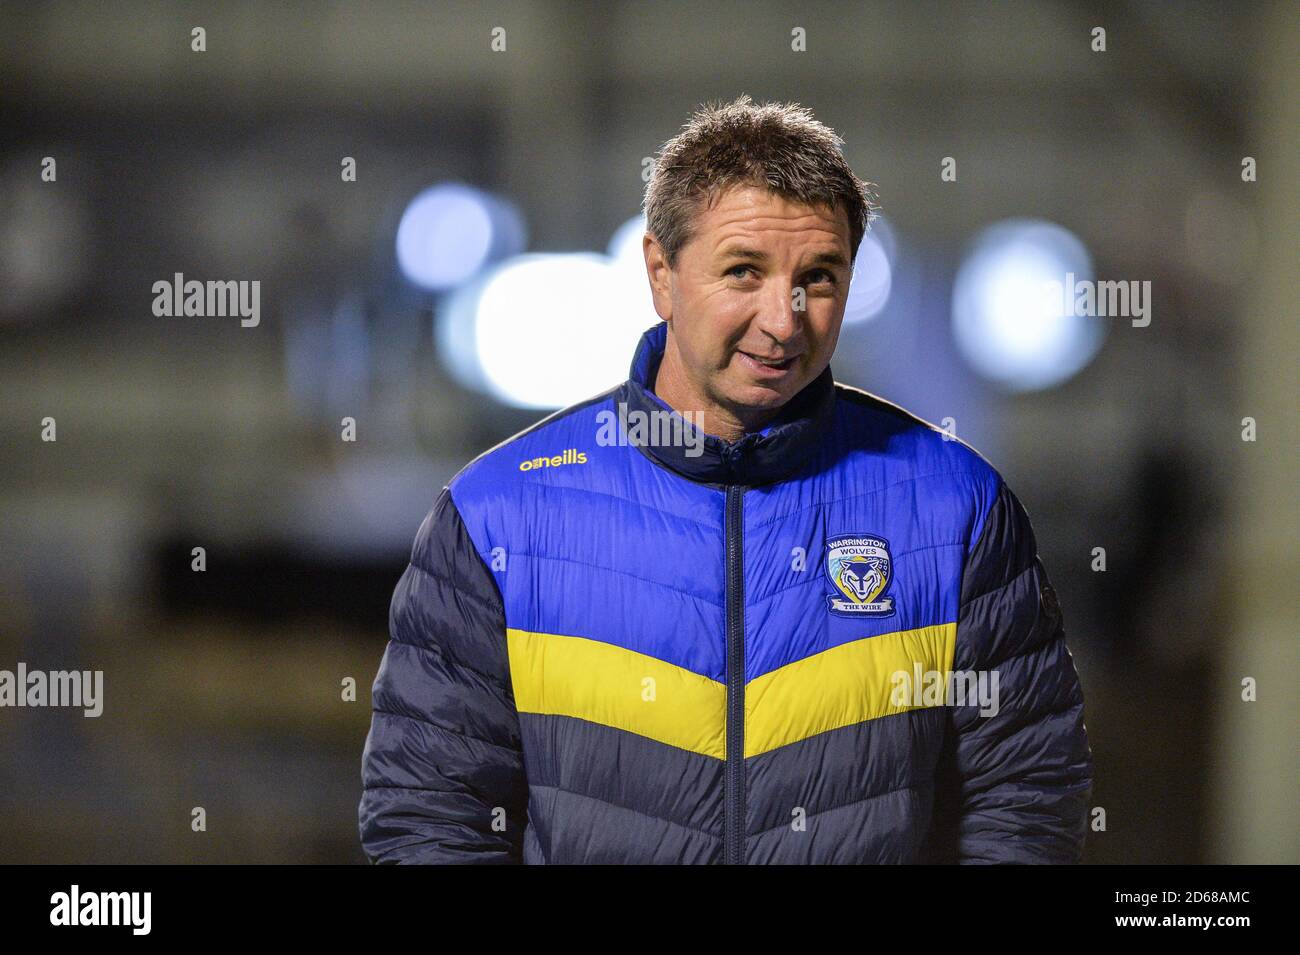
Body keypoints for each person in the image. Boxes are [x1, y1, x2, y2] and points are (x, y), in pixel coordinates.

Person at [358, 94, 1093, 864]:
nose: (784, 318)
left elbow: (1027, 799)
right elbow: (428, 817)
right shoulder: (498, 518)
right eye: (744, 271)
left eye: (819, 276)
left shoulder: (957, 511)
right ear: (660, 273)